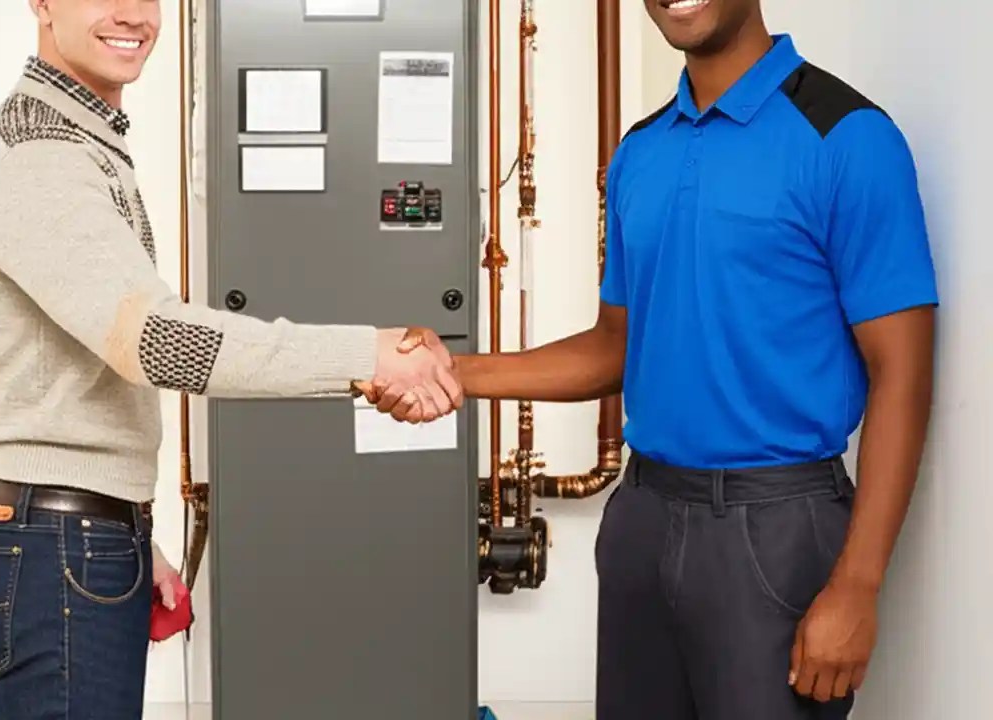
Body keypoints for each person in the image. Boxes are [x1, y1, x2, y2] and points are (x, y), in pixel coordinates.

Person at [371, 1, 938, 718]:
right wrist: (453, 370)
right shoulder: (640, 151)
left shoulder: (848, 138)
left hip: (776, 528)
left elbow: (903, 377)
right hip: (643, 517)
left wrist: (858, 585)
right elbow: (615, 346)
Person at [0, 1, 462, 717]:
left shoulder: (79, 140)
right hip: (53, 542)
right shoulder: (40, 158)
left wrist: (124, 524)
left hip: (66, 533)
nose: (131, 14)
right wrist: (364, 355)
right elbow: (156, 341)